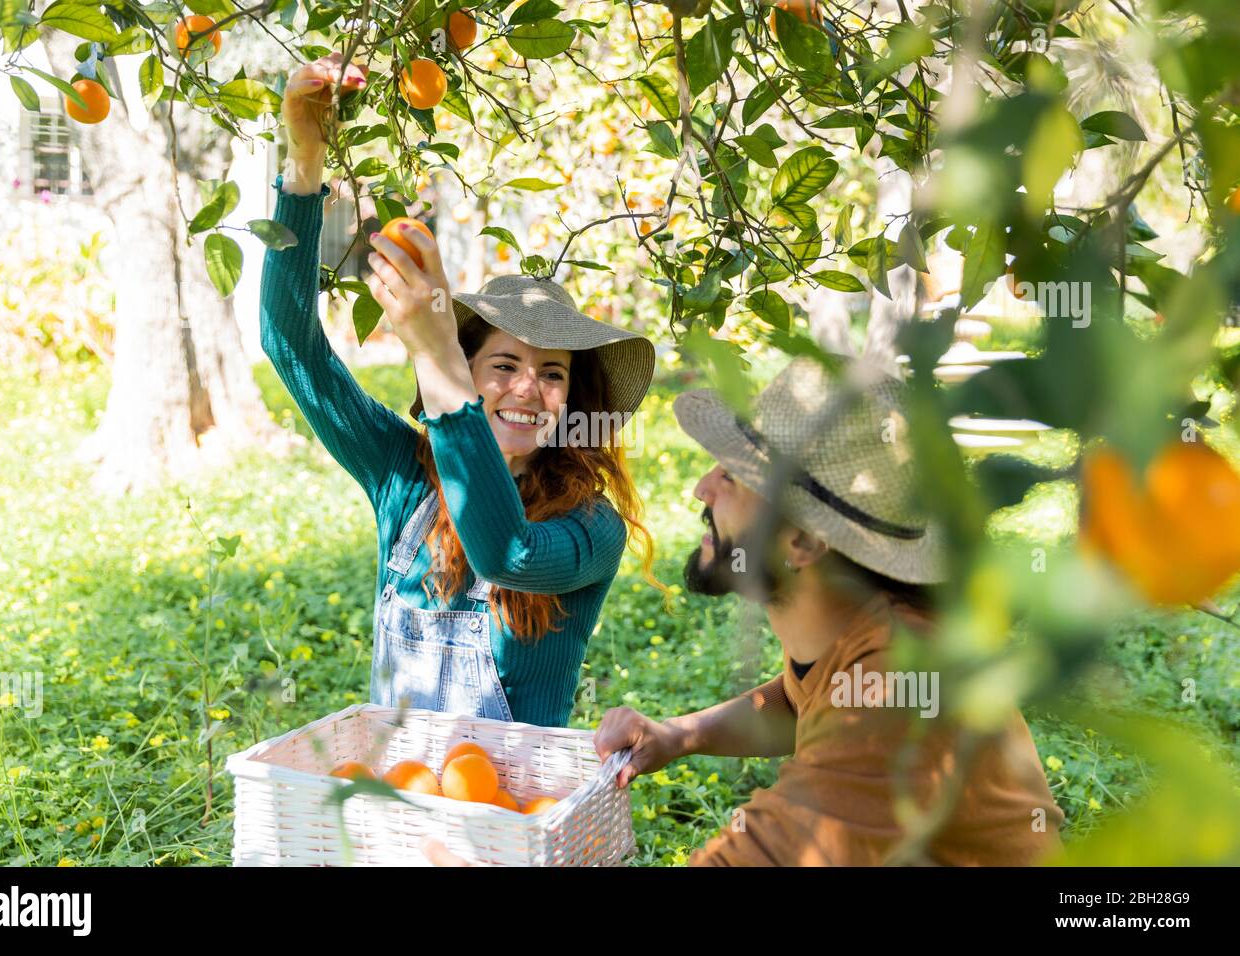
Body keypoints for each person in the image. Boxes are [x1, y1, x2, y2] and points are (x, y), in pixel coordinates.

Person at [424, 355, 1064, 866]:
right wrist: (680, 736)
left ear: (804, 541)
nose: (701, 487)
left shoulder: (894, 702)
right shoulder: (858, 633)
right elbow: (796, 701)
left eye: (733, 475)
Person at [261, 55, 659, 727]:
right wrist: (304, 167)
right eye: (502, 363)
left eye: (554, 373)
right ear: (467, 376)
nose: (528, 388)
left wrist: (438, 352)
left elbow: (506, 551)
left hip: (513, 814)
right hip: (399, 804)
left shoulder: (592, 528)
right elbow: (289, 345)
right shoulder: (405, 477)